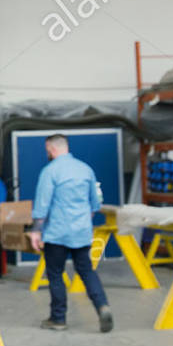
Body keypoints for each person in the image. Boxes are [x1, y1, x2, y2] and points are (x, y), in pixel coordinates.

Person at [28, 134, 114, 333]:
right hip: (81, 232)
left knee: (56, 274)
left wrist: (35, 231)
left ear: (50, 148)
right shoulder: (86, 169)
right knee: (86, 271)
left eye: (46, 149)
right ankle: (102, 306)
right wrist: (82, 221)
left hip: (57, 233)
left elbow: (42, 205)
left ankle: (58, 319)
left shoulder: (50, 171)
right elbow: (95, 204)